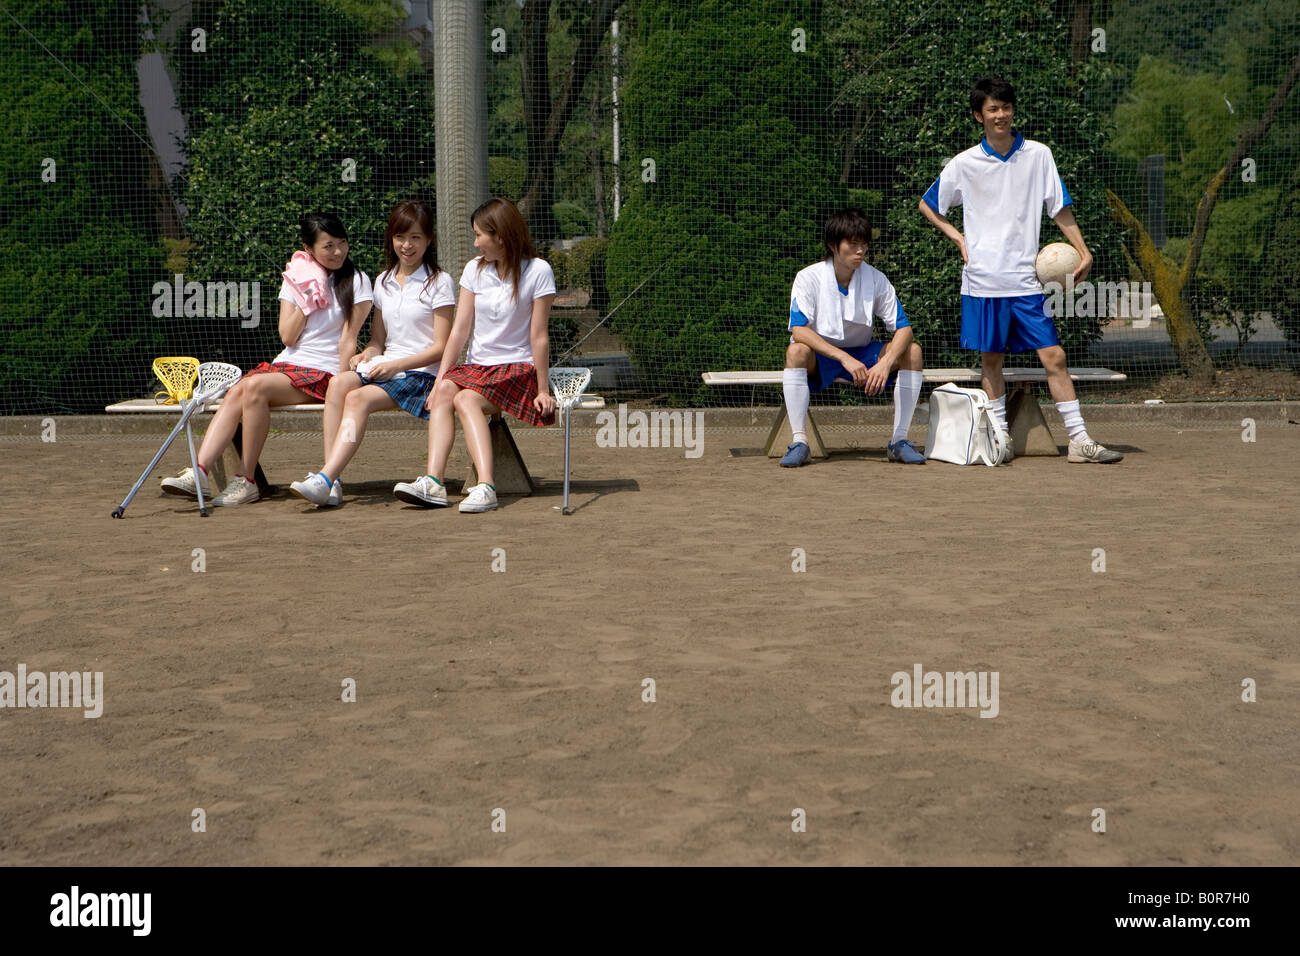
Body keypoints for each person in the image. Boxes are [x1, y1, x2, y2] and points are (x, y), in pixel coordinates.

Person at [918, 75, 1123, 463]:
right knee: (991, 361)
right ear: (979, 115)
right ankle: (999, 440)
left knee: (1054, 356)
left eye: (1006, 107)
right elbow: (928, 205)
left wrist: (1084, 251)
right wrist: (958, 238)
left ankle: (1079, 441)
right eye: (992, 109)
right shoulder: (964, 163)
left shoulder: (1039, 155)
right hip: (982, 284)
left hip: (1027, 284)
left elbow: (1058, 207)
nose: (1001, 115)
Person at [160, 212, 374, 505]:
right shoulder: (295, 280)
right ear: (308, 249)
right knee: (241, 389)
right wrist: (309, 299)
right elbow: (287, 336)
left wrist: (341, 386)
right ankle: (200, 471)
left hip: (325, 373)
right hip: (288, 366)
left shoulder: (358, 280)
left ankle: (244, 479)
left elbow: (348, 340)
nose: (338, 252)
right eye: (328, 246)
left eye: (342, 243)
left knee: (254, 386)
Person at [393, 197, 556, 513]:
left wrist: (543, 389)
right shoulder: (473, 269)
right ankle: (434, 483)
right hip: (478, 367)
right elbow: (459, 331)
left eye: (480, 235)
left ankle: (486, 487)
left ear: (501, 236)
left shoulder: (538, 270)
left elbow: (539, 336)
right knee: (444, 391)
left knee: (466, 399)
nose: (476, 242)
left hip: (517, 368)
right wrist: (441, 377)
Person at [289, 200, 454, 507]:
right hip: (388, 369)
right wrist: (365, 355)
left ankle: (326, 477)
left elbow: (441, 347)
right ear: (391, 239)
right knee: (339, 383)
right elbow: (378, 340)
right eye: (400, 237)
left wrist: (394, 365)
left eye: (416, 237)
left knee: (357, 398)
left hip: (422, 375)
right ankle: (332, 480)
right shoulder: (383, 281)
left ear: (429, 240)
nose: (407, 245)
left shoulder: (439, 282)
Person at [780, 207, 926, 467]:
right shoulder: (807, 277)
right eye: (853, 244)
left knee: (911, 351)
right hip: (826, 356)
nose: (860, 251)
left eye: (864, 244)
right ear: (833, 245)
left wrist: (885, 361)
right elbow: (798, 329)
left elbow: (904, 328)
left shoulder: (876, 278)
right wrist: (843, 357)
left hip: (863, 353)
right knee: (796, 351)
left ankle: (899, 440)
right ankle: (800, 442)